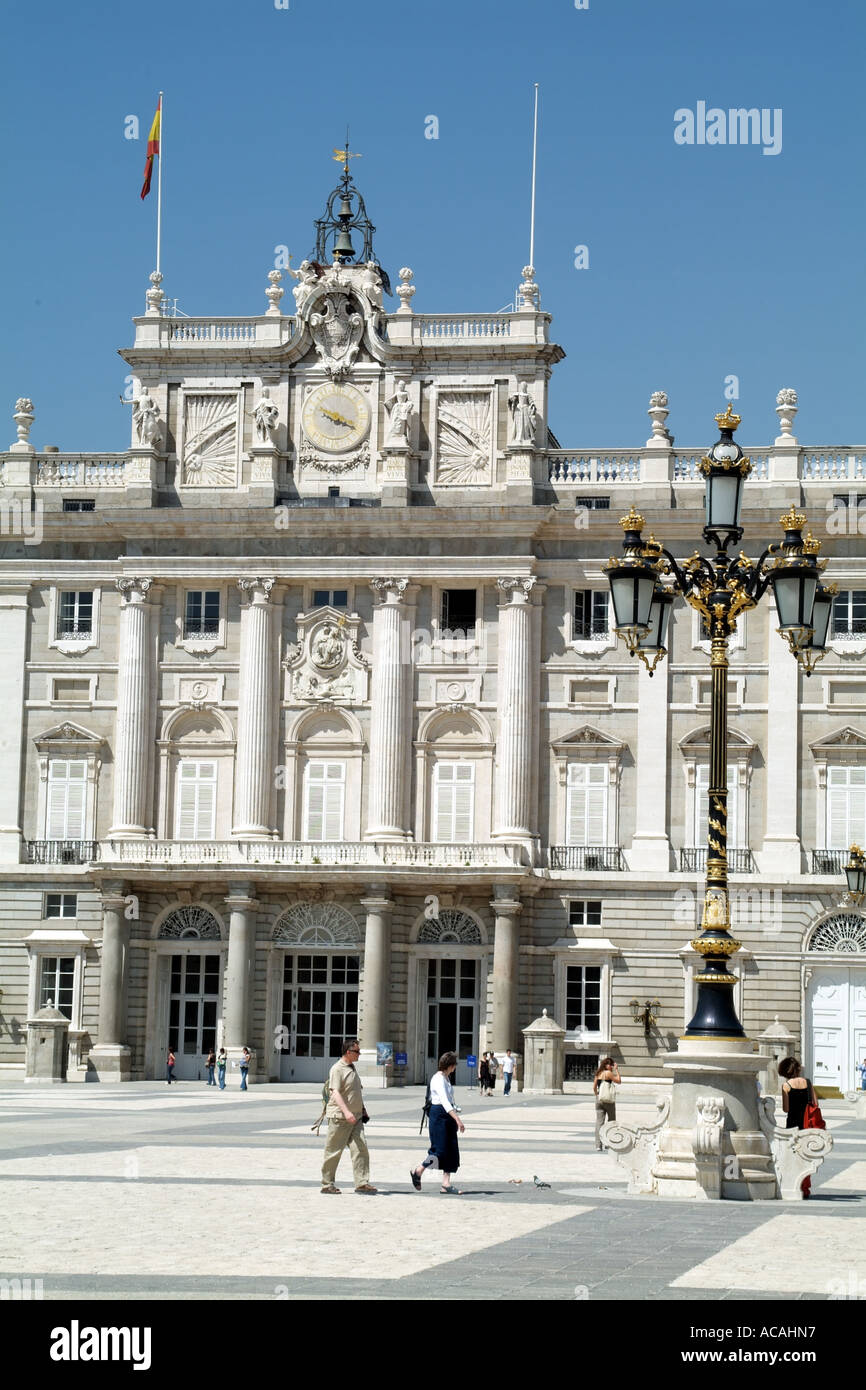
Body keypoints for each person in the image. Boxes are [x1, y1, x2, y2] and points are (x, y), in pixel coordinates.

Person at [320, 1038, 377, 1195]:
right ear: (348, 1052)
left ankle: (362, 1182)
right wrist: (346, 1112)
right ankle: (327, 1184)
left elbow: (355, 1091)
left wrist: (363, 1109)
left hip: (356, 1117)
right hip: (340, 1117)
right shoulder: (337, 1069)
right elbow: (335, 1092)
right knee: (333, 1151)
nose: (359, 1054)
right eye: (357, 1051)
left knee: (361, 1149)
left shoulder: (351, 1067)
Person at [410, 1051, 465, 1194]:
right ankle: (418, 1171)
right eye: (454, 1065)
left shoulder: (446, 1078)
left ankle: (446, 1184)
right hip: (439, 1115)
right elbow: (444, 1101)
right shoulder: (438, 1079)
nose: (455, 1068)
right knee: (439, 1150)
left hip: (447, 1115)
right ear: (450, 1065)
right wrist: (457, 1119)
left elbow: (450, 1101)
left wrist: (454, 1112)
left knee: (452, 1150)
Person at [779, 1056, 818, 1197]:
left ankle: (795, 1185)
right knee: (806, 1157)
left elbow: (786, 1109)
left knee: (794, 1156)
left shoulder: (786, 1086)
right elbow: (815, 1104)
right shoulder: (808, 1083)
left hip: (793, 1126)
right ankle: (806, 1187)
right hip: (807, 1125)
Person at [593, 1056, 621, 1150]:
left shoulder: (598, 1073)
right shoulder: (608, 1073)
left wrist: (597, 1095)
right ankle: (608, 1143)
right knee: (611, 1122)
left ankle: (598, 1145)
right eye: (610, 1064)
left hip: (599, 1100)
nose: (611, 1066)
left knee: (599, 1123)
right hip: (608, 1100)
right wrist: (616, 1070)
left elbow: (594, 1087)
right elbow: (619, 1081)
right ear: (606, 1065)